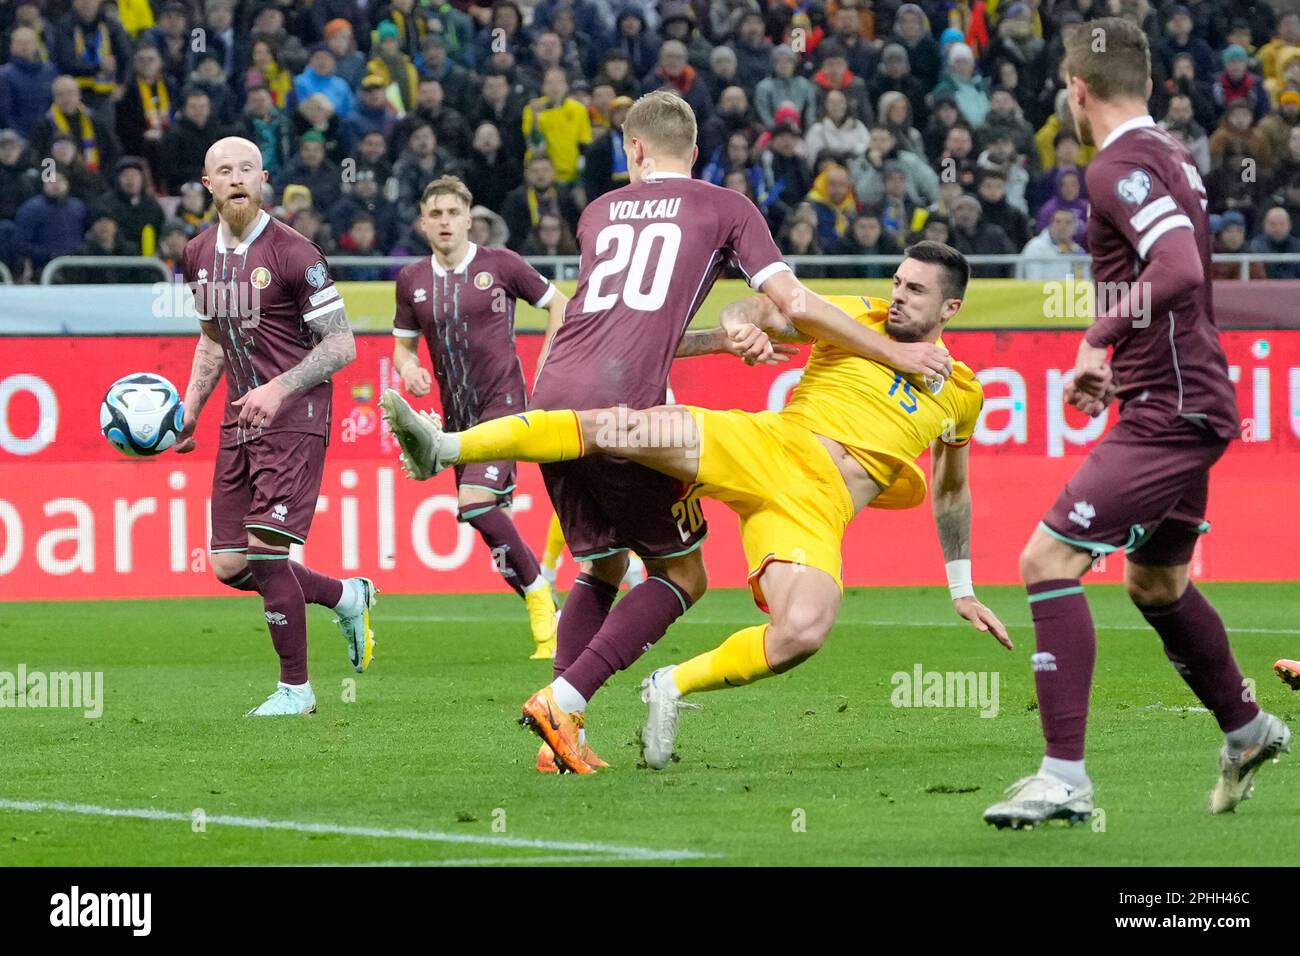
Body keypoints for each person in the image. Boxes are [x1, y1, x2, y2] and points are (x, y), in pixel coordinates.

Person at [382, 90, 953, 775]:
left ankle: (558, 734)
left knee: (600, 565)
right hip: (627, 400)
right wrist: (896, 353)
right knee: (682, 574)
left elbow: (621, 321)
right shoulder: (725, 207)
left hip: (556, 390)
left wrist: (721, 339)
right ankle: (563, 701)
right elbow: (794, 302)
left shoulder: (598, 212)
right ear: (696, 152)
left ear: (635, 151)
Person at [985, 18, 1290, 829]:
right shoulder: (1169, 156)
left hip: (1173, 407)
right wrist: (1118, 361)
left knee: (1046, 558)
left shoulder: (1117, 164)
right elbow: (1178, 261)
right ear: (1146, 82)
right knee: (1156, 581)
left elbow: (1181, 267)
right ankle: (1247, 726)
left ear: (1076, 90)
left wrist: (1096, 338)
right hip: (1180, 394)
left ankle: (1065, 777)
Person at [176, 136, 377, 717]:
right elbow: (213, 340)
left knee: (265, 554)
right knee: (230, 564)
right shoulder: (196, 254)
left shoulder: (296, 254)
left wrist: (280, 386)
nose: (236, 178)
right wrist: (190, 410)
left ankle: (297, 690)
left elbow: (342, 344)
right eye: (223, 170)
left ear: (263, 178)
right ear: (207, 183)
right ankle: (345, 595)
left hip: (295, 415)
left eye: (246, 169)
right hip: (239, 419)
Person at [390, 175, 567, 658]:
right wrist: (410, 372)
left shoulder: (501, 265)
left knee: (474, 504)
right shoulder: (412, 281)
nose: (445, 221)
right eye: (436, 214)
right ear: (424, 223)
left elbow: (559, 306)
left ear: (470, 220)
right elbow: (402, 350)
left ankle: (538, 594)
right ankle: (552, 620)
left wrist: (545, 363)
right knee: (497, 532)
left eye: (453, 213)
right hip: (457, 419)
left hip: (505, 405)